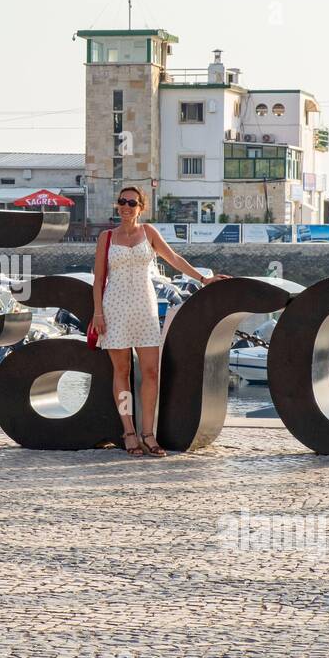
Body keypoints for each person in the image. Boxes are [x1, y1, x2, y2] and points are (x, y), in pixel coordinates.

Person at [90, 187, 229, 457]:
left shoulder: (149, 232)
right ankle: (128, 432)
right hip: (114, 309)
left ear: (141, 207)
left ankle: (148, 433)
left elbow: (174, 259)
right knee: (122, 373)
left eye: (132, 202)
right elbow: (98, 279)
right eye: (122, 201)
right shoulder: (106, 238)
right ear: (117, 206)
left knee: (151, 372)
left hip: (145, 307)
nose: (126, 206)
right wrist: (98, 313)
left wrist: (203, 279)